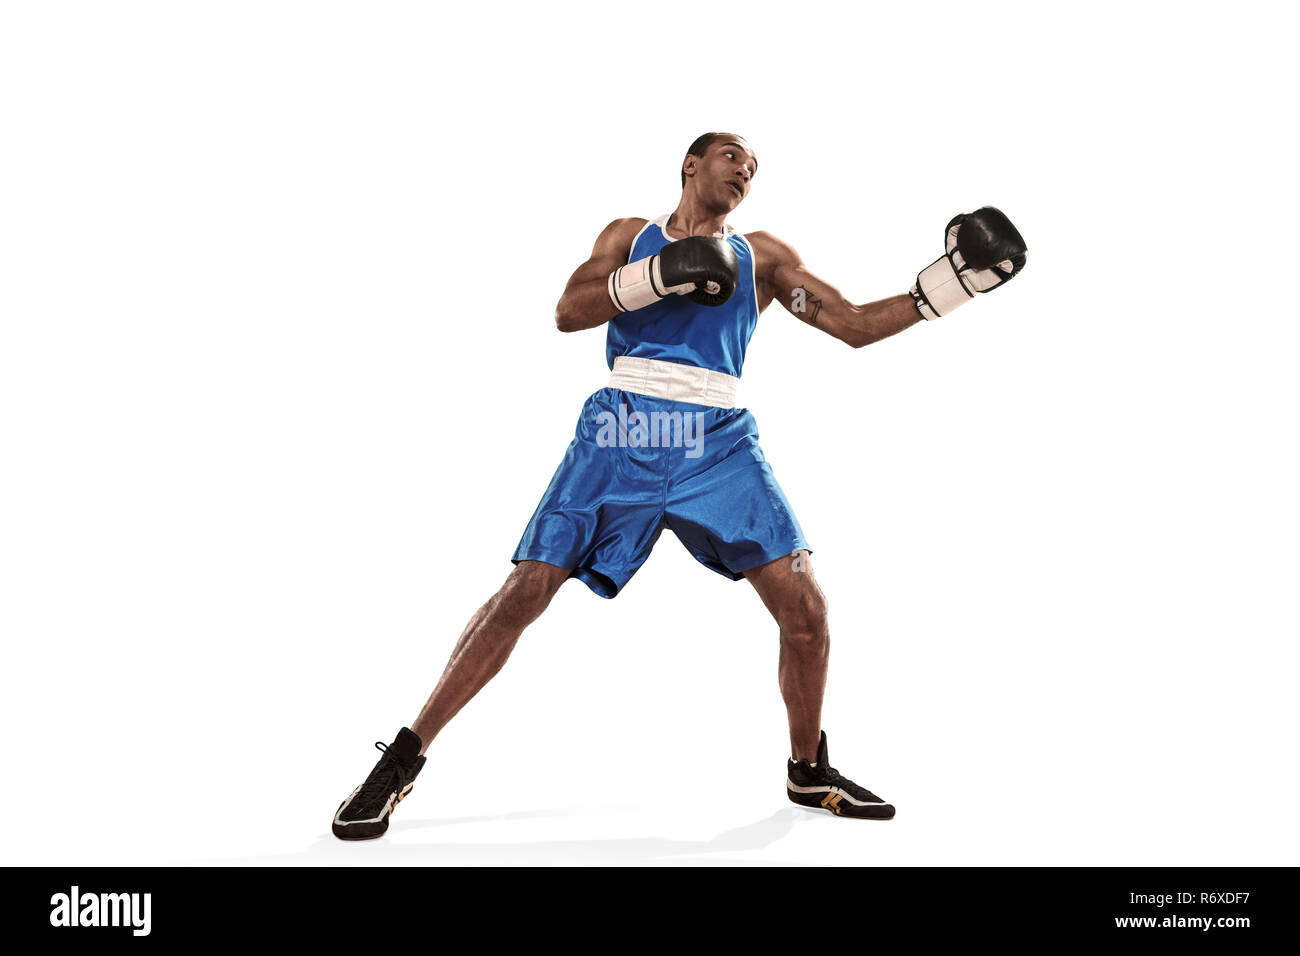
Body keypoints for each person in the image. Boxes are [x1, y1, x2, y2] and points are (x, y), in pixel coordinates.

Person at [331, 132, 1027, 839]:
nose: (745, 170)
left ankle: (807, 770)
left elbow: (851, 324)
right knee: (525, 589)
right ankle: (402, 762)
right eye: (733, 156)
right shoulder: (629, 236)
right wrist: (657, 276)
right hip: (623, 430)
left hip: (718, 442)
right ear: (692, 164)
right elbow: (568, 313)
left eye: (753, 167)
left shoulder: (766, 257)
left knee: (806, 607)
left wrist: (953, 285)